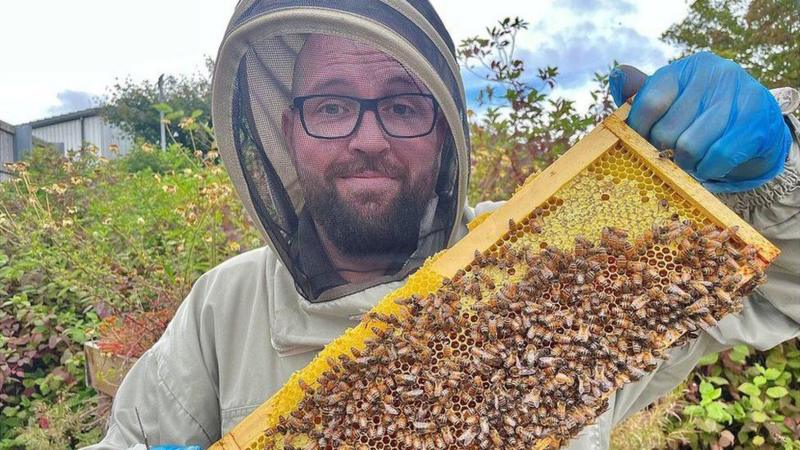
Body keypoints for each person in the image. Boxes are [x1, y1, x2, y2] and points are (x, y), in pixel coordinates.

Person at [83, 1, 799, 449]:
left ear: (446, 131)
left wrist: (782, 171)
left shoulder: (547, 270)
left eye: (401, 105)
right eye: (332, 106)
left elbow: (779, 291)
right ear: (285, 132)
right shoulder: (223, 305)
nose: (367, 139)